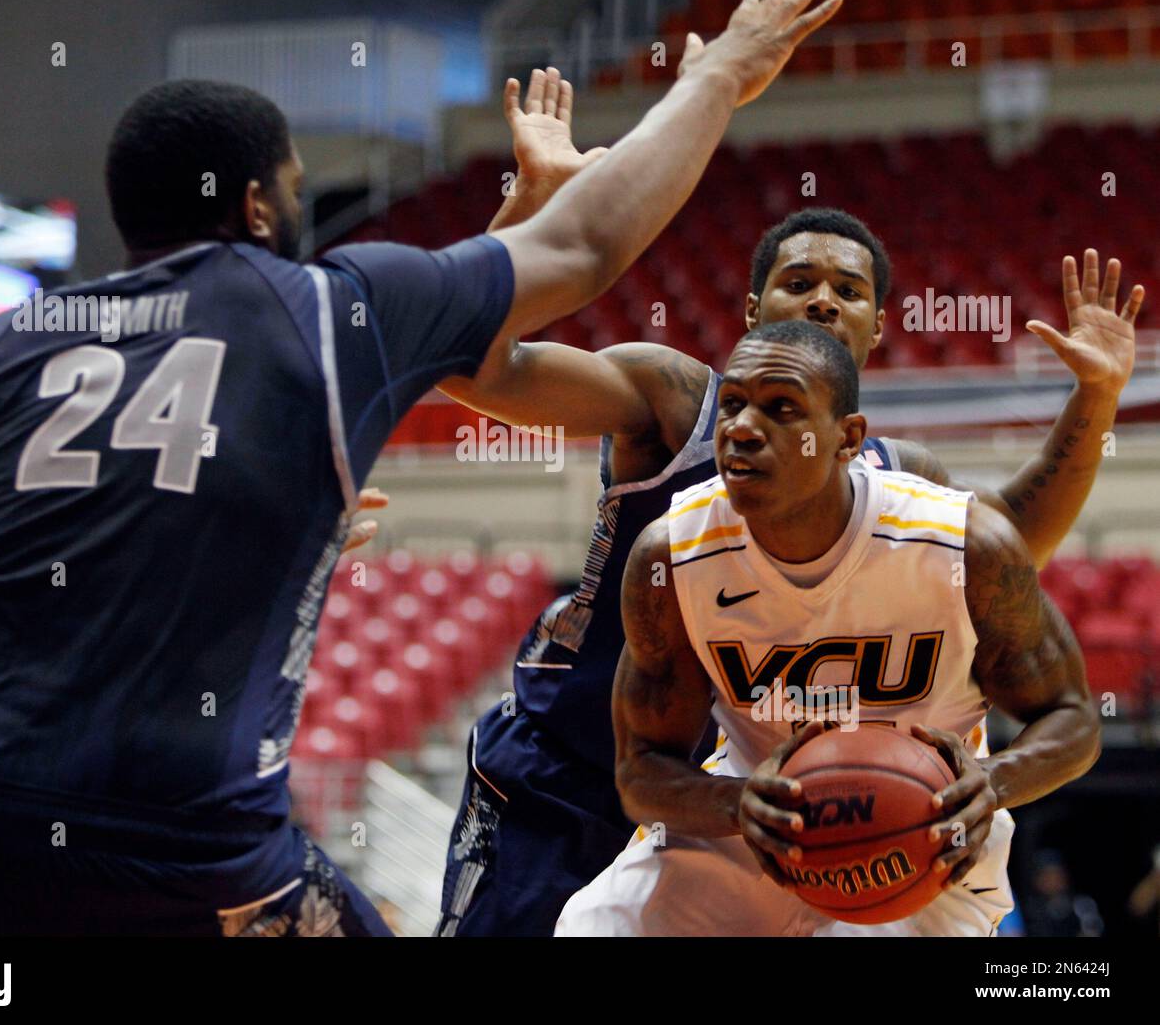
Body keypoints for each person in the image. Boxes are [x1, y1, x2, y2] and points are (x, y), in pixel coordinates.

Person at [0, 0, 844, 936]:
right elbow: (584, 248)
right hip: (176, 843)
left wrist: (283, 518)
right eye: (294, 189)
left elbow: (22, 569)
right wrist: (719, 74)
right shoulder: (318, 311)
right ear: (256, 206)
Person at [435, 72, 1143, 936]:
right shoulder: (677, 398)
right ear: (749, 309)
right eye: (797, 281)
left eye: (847, 292)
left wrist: (1095, 401)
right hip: (576, 765)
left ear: (877, 330)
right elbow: (472, 363)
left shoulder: (901, 477)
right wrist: (532, 215)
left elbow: (1006, 544)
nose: (821, 300)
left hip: (755, 797)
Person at [554, 319, 1100, 935]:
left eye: (780, 409)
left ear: (847, 438)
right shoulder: (672, 556)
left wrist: (991, 783)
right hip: (756, 823)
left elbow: (1073, 718)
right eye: (731, 404)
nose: (741, 429)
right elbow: (641, 769)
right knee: (592, 927)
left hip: (928, 834)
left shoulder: (961, 545)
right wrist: (738, 804)